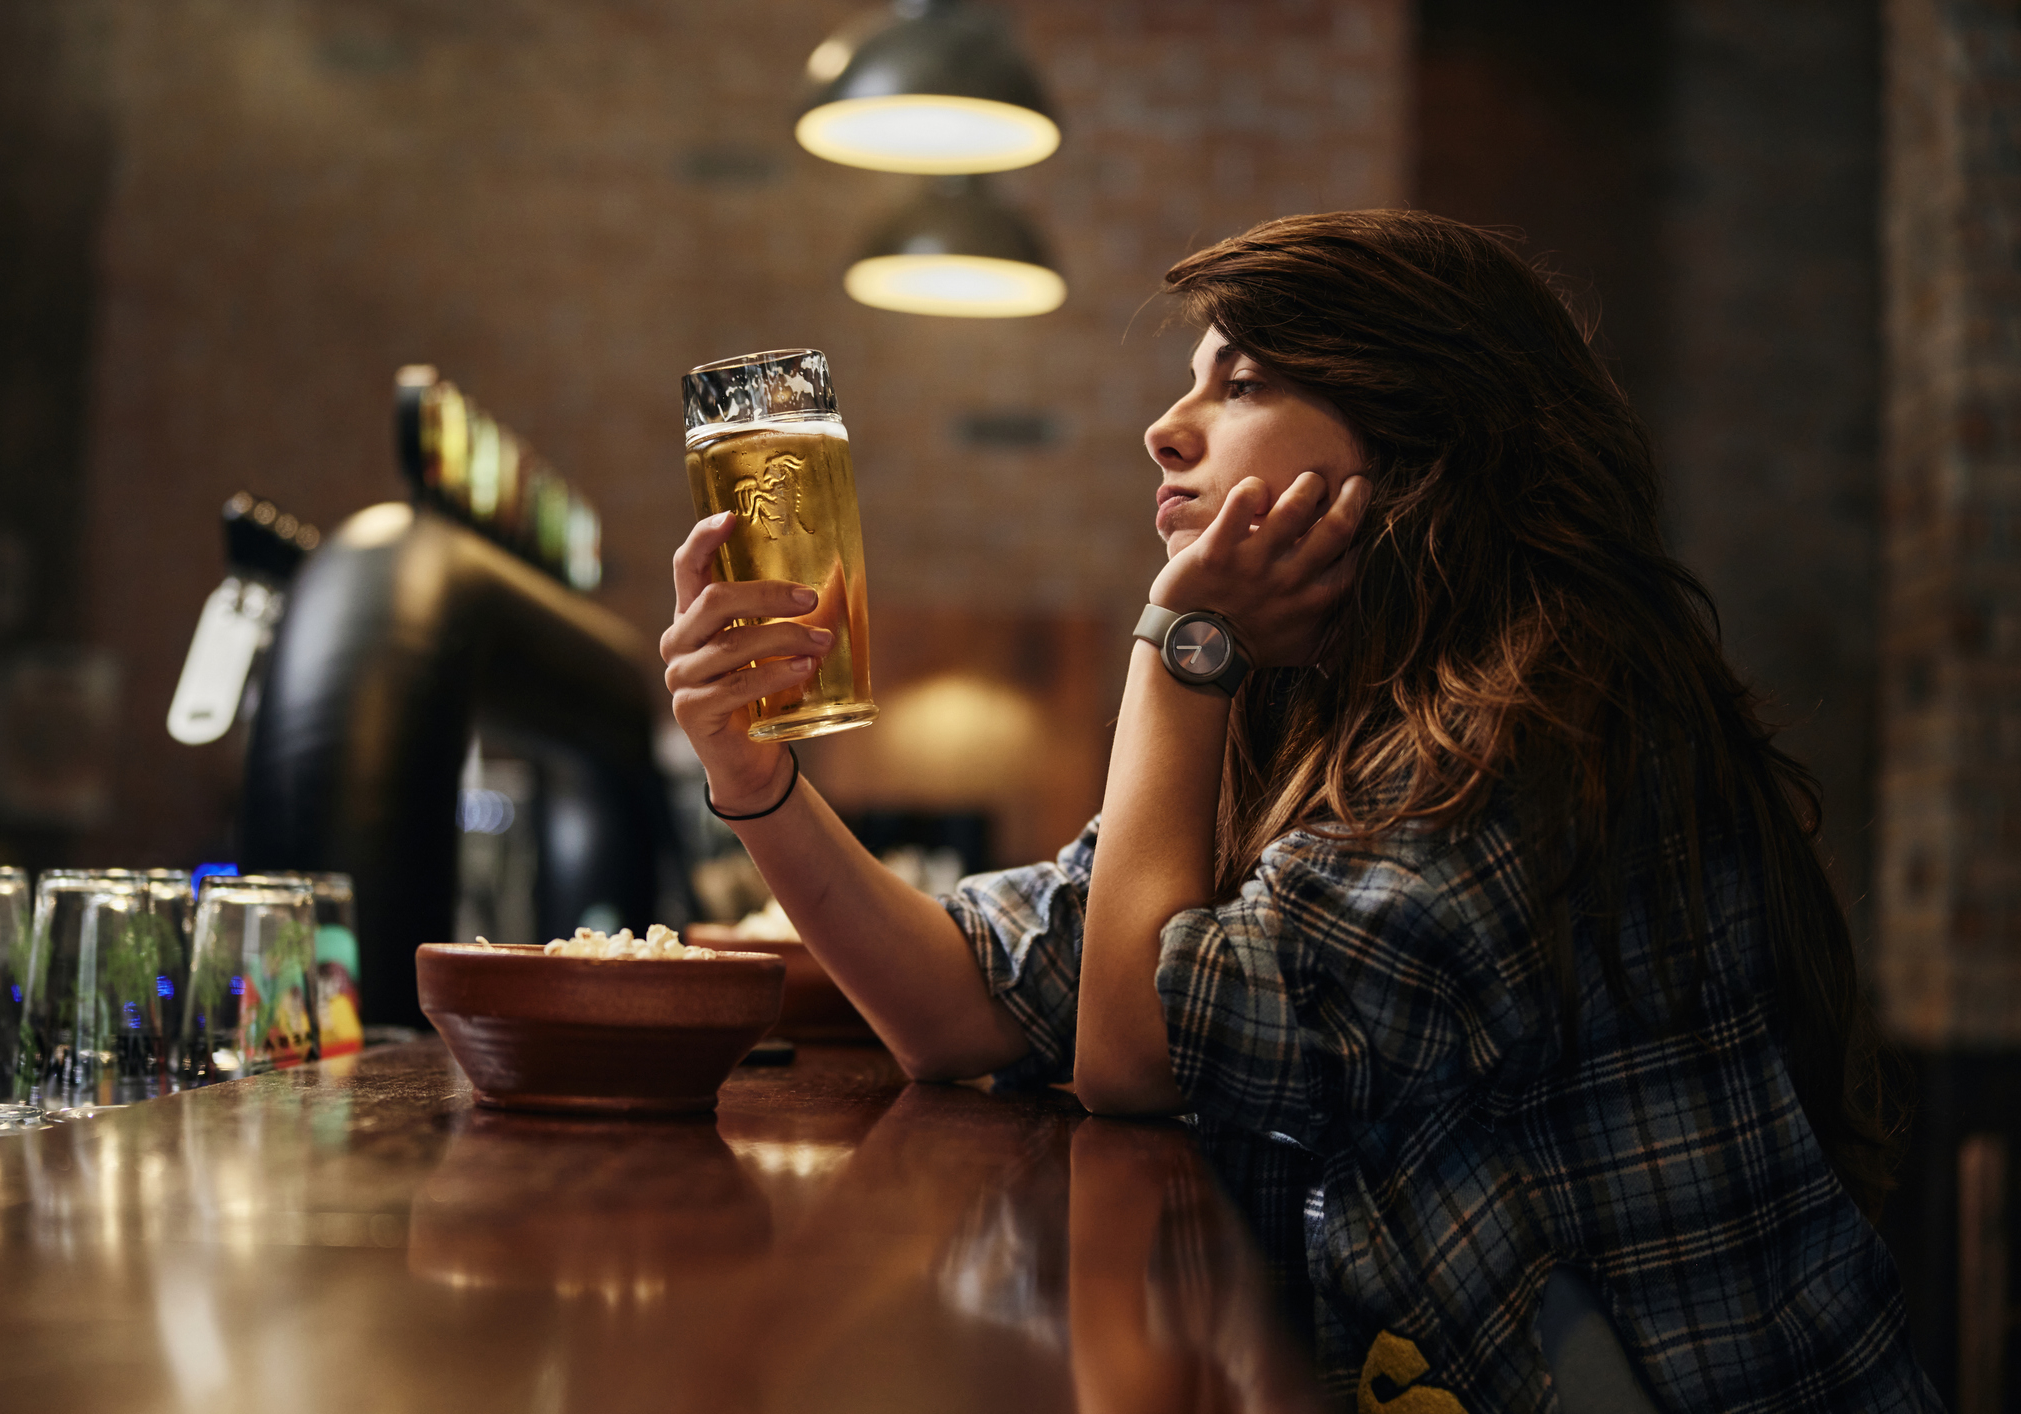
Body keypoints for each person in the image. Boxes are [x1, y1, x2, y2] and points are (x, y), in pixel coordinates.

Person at [659, 211, 1935, 1413]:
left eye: (1245, 381)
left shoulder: (1540, 726)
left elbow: (1132, 1053)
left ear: (1418, 437)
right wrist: (754, 779)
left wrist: (1176, 650)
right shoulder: (1307, 708)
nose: (1166, 428)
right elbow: (955, 1005)